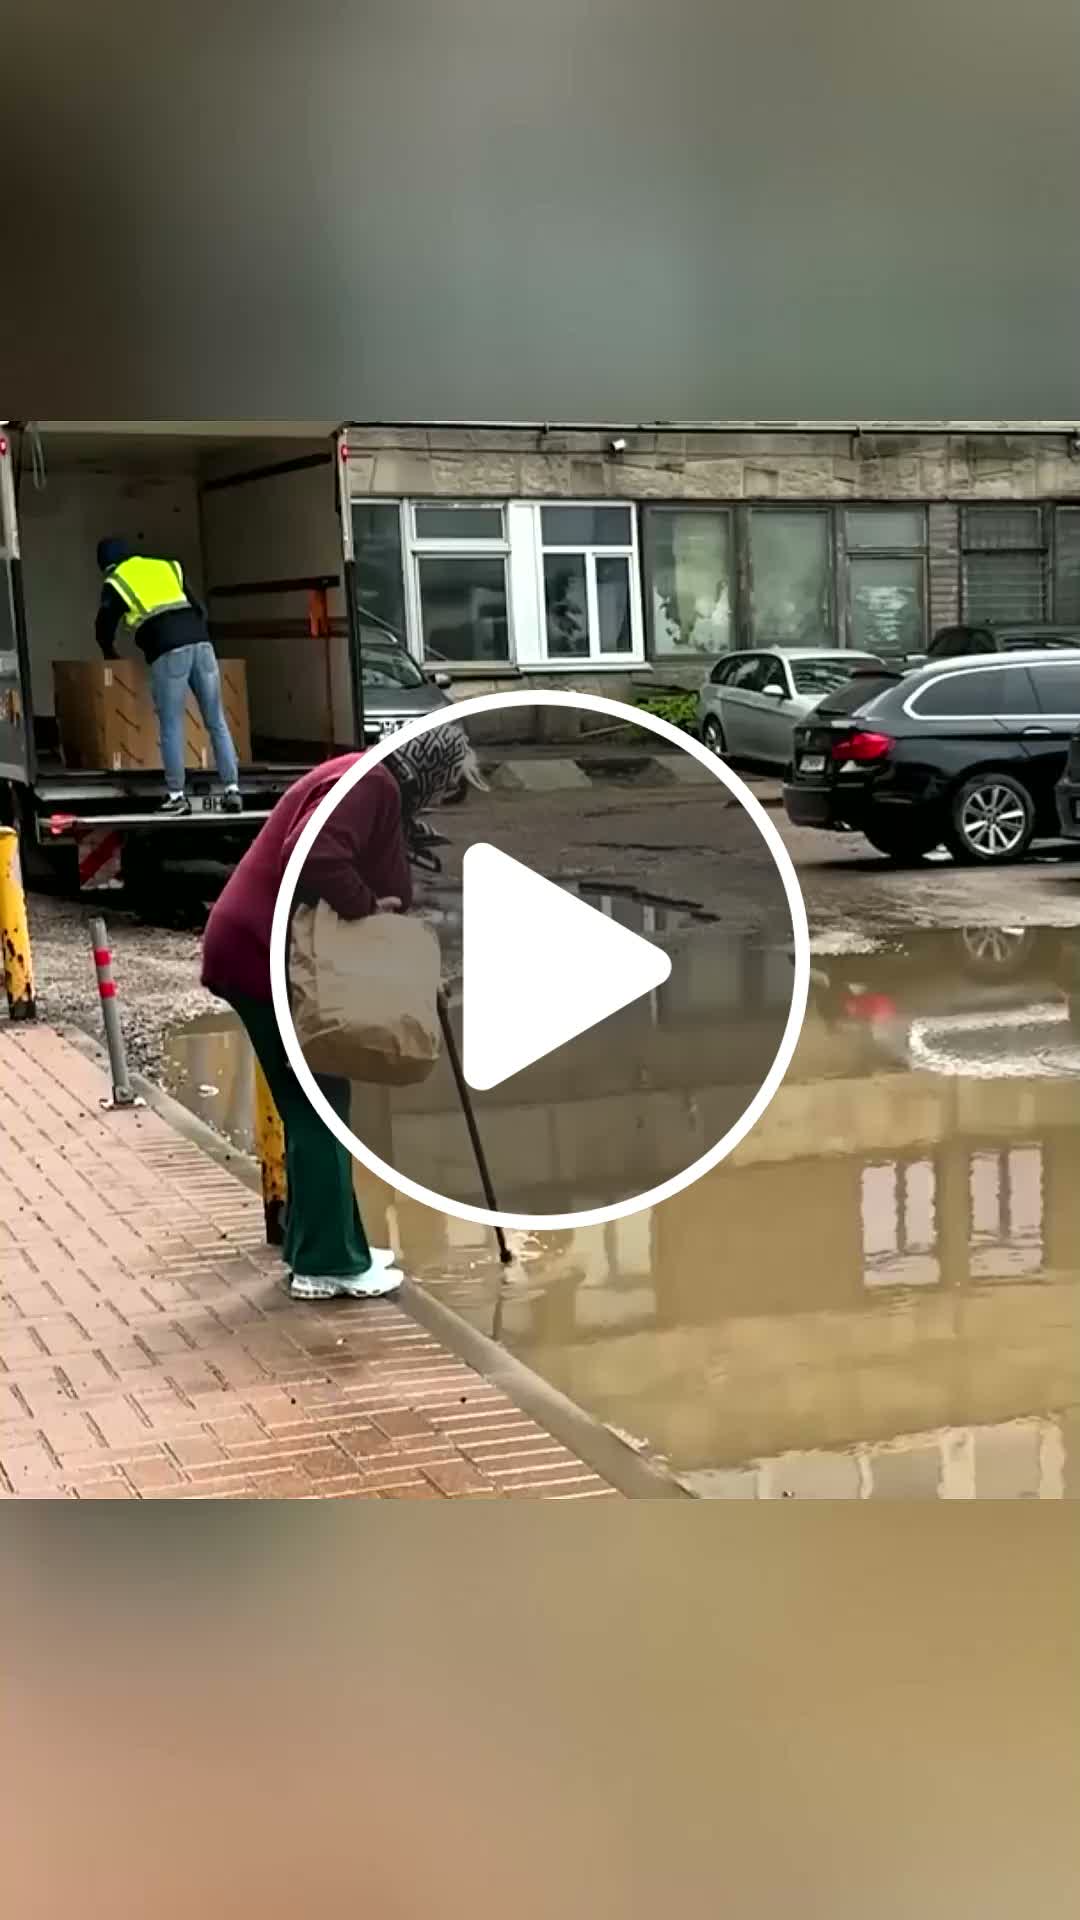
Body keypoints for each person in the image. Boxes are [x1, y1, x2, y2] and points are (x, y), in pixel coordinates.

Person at [202, 724, 480, 1301]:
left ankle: (324, 1244)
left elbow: (379, 882)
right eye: (444, 788)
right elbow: (318, 856)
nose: (438, 801)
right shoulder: (371, 784)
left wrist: (413, 964)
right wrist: (363, 905)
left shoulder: (368, 780)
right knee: (318, 1107)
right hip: (261, 955)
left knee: (323, 1101)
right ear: (427, 772)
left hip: (260, 949)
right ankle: (329, 1263)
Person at [96, 537, 243, 816]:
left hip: (168, 649)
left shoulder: (116, 581)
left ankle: (177, 797)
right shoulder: (167, 567)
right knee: (216, 720)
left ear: (106, 565)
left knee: (172, 725)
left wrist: (108, 651)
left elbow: (104, 624)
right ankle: (232, 790)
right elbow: (200, 608)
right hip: (202, 644)